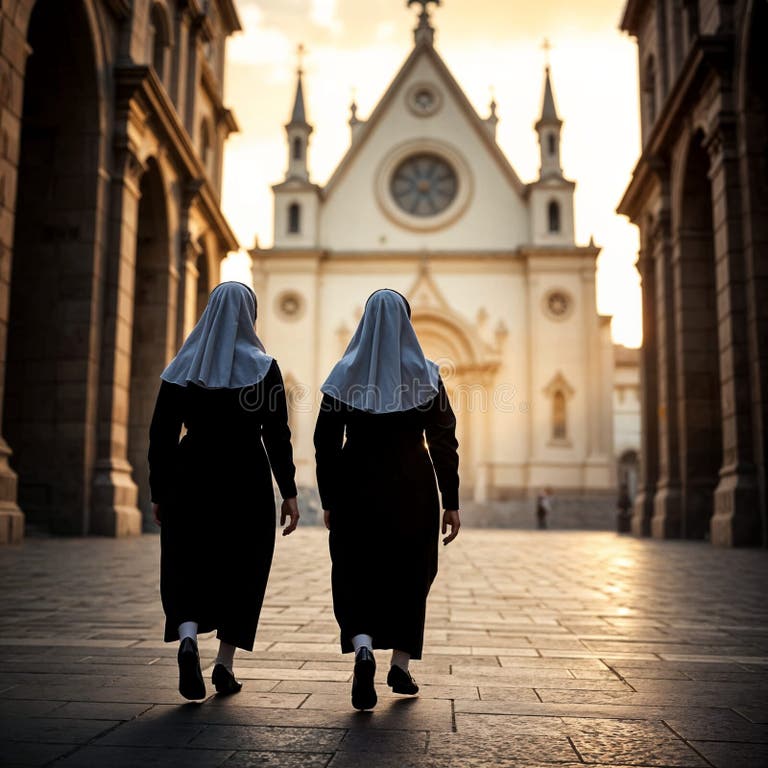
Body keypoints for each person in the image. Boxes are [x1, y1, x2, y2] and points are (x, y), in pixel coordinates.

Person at [148, 281, 299, 701]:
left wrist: (159, 489)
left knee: (186, 559)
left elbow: (160, 434)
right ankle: (224, 665)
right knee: (244, 566)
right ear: (250, 316)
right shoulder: (264, 367)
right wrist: (288, 490)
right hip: (245, 477)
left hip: (189, 472)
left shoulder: (183, 366)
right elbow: (277, 434)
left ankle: (188, 637)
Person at [314, 288, 460, 711]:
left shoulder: (344, 373)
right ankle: (399, 664)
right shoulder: (429, 374)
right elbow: (444, 441)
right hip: (412, 485)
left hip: (355, 482)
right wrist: (450, 499)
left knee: (355, 566)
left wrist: (328, 496)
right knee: (412, 570)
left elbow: (325, 441)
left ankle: (362, 647)